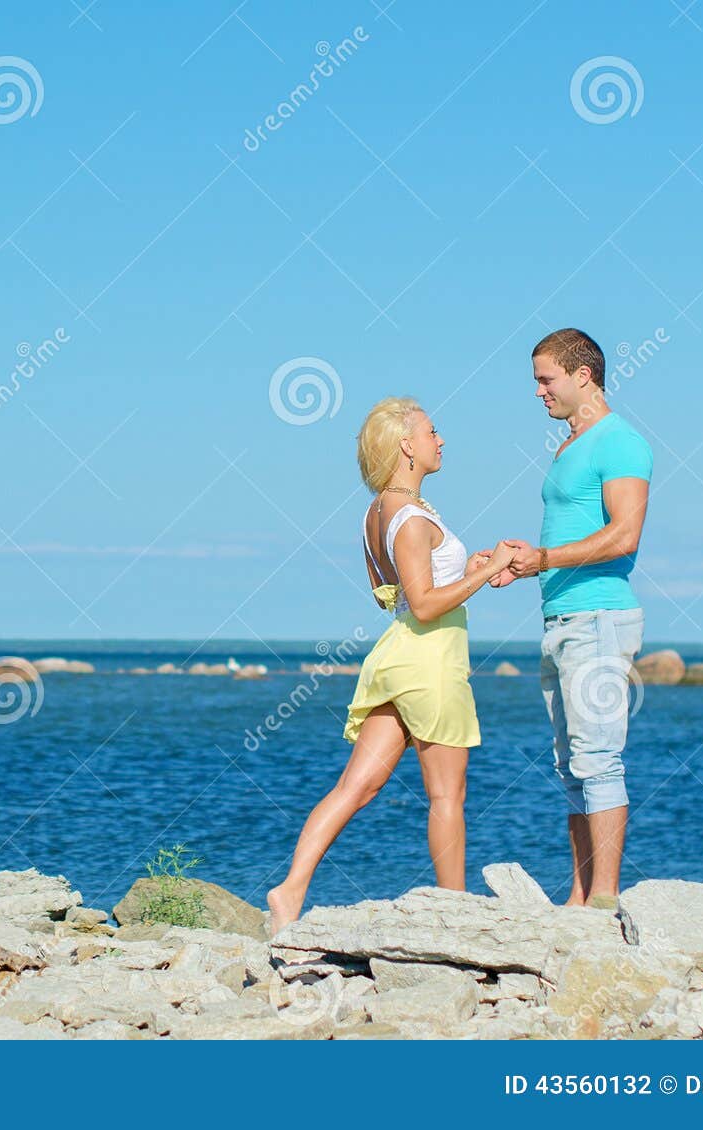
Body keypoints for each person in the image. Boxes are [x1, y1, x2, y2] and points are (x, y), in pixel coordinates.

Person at [267, 397, 515, 934]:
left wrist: (464, 572)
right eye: (432, 430)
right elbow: (425, 604)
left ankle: (290, 891)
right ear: (407, 444)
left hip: (396, 657)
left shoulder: (377, 511)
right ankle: (457, 914)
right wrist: (489, 568)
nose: (440, 440)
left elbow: (394, 597)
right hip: (429, 664)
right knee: (447, 795)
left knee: (354, 788)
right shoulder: (410, 517)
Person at [489, 328, 653, 909]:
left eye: (545, 379)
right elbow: (571, 532)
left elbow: (624, 534)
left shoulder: (620, 442)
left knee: (599, 760)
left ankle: (605, 900)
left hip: (599, 619)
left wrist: (545, 559)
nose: (538, 392)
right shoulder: (568, 446)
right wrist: (523, 564)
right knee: (572, 768)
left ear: (583, 376)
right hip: (562, 619)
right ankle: (579, 900)